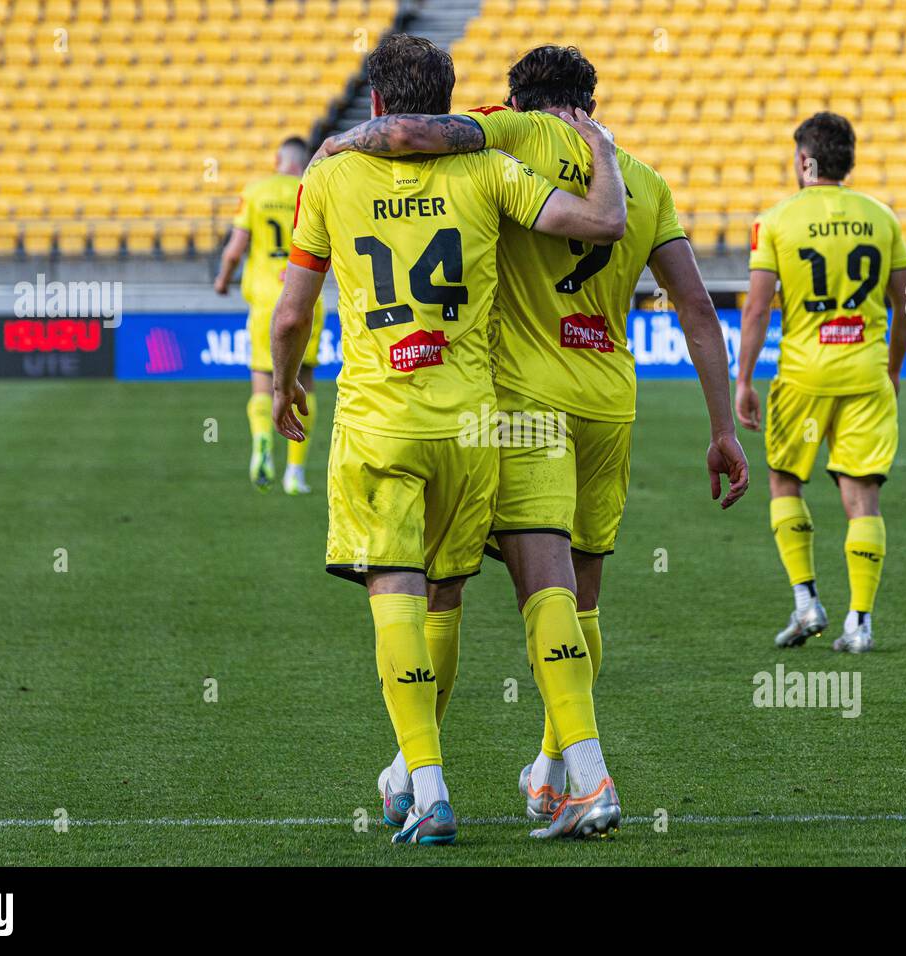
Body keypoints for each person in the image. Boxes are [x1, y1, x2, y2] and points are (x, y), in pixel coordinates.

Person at [315, 44, 749, 832]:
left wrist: (345, 142)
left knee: (471, 587)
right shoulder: (640, 176)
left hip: (519, 405)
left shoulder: (499, 136)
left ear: (517, 95)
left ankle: (534, 773)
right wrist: (723, 426)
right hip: (610, 406)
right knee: (581, 601)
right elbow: (694, 306)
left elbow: (413, 134)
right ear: (588, 99)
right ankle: (549, 769)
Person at [269, 35, 628, 844]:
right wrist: (600, 147)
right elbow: (603, 222)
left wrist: (289, 380)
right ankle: (436, 775)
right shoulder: (489, 169)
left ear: (374, 104)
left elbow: (291, 313)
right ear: (452, 101)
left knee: (394, 593)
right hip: (471, 423)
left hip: (378, 420)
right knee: (448, 594)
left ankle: (429, 789)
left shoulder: (327, 176)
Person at [735, 112, 906, 654]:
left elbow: (757, 309)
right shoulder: (882, 218)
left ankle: (805, 600)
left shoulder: (776, 221)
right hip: (866, 374)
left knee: (784, 481)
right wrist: (892, 367)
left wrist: (742, 379)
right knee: (862, 498)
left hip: (803, 376)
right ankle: (859, 623)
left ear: (805, 162)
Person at [214, 137, 322, 494]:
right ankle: (296, 472)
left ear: (277, 159)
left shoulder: (256, 191)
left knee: (264, 375)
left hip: (265, 302)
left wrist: (222, 281)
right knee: (302, 378)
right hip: (305, 293)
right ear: (303, 162)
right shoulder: (313, 186)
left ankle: (262, 443)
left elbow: (234, 250)